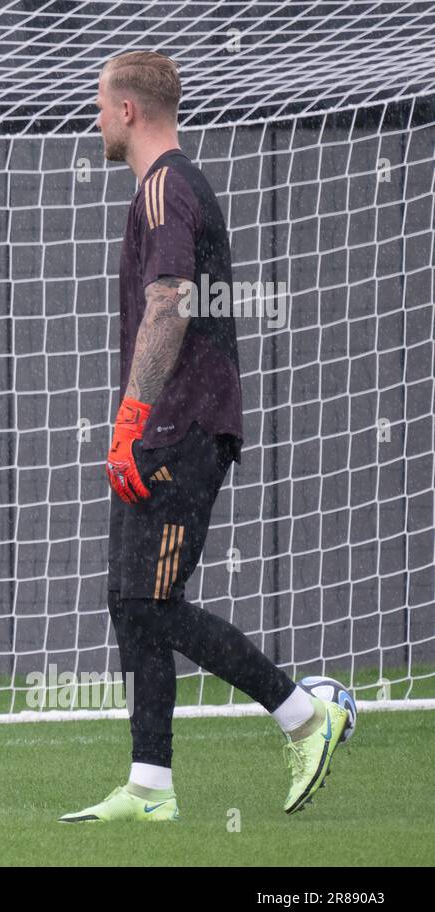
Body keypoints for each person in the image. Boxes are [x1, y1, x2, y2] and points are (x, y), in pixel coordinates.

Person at [60, 51, 346, 822]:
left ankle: (306, 716)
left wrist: (127, 424)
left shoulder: (165, 188)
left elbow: (169, 303)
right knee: (131, 599)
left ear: (127, 111)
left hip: (180, 425)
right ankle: (150, 786)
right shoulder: (167, 187)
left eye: (99, 104)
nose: (94, 119)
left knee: (152, 601)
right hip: (169, 424)